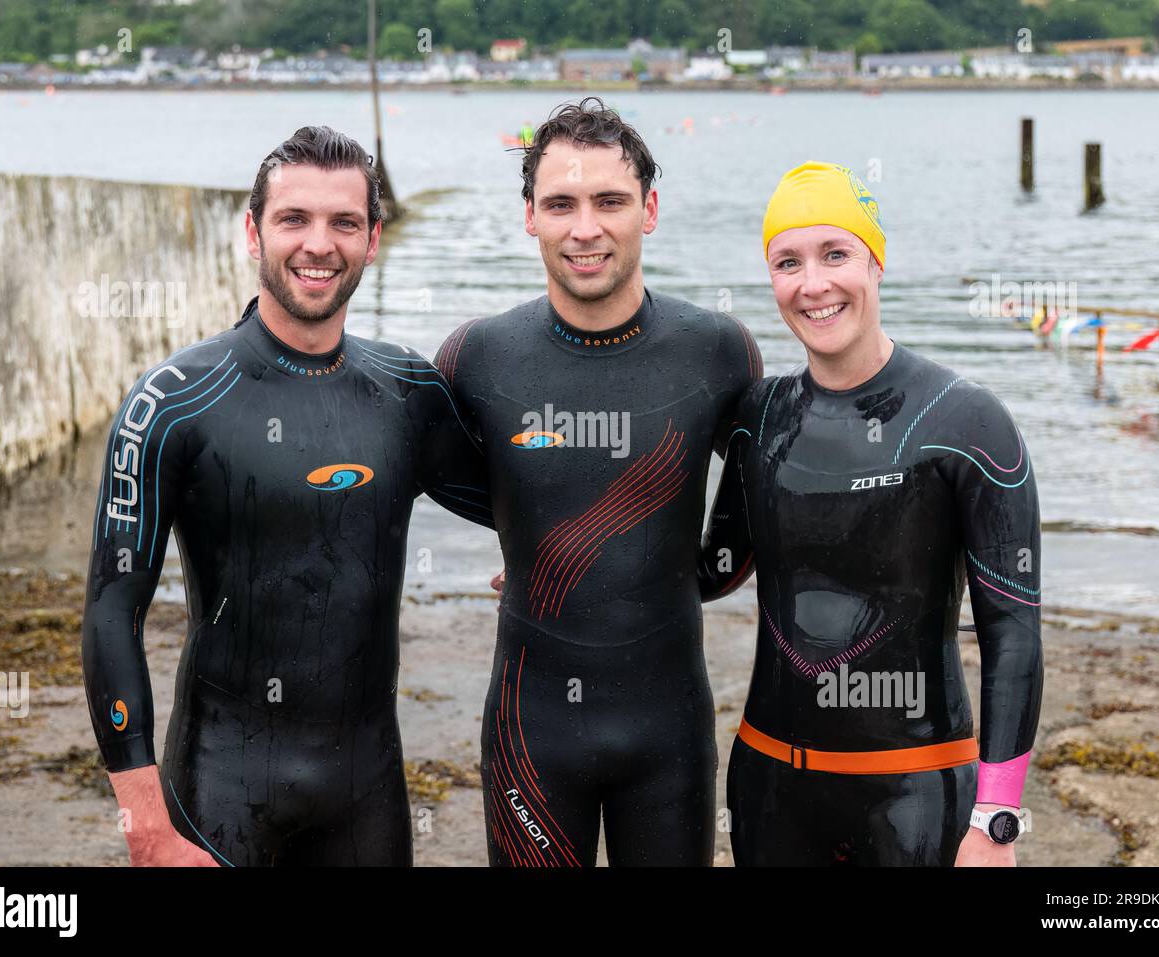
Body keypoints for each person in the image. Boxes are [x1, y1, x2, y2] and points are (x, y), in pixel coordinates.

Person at [81, 126, 493, 867]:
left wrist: (533, 562)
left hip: (368, 797)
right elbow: (113, 611)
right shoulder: (173, 402)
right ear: (252, 231)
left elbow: (529, 503)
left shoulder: (408, 393)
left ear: (372, 240)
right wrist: (145, 823)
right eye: (293, 219)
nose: (318, 243)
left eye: (344, 222)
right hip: (220, 791)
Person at [436, 98, 762, 866]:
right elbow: (432, 473)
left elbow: (751, 515)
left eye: (609, 201)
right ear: (530, 217)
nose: (586, 228)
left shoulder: (717, 351)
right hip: (530, 734)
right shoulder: (477, 358)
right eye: (561, 204)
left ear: (649, 209)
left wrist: (667, 568)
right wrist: (540, 542)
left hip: (670, 735)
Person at [699, 162, 1042, 866]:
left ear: (876, 261)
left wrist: (996, 817)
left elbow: (1012, 630)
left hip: (915, 796)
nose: (813, 283)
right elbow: (712, 569)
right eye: (787, 262)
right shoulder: (757, 416)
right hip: (768, 787)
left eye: (836, 254)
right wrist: (562, 558)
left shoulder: (965, 420)